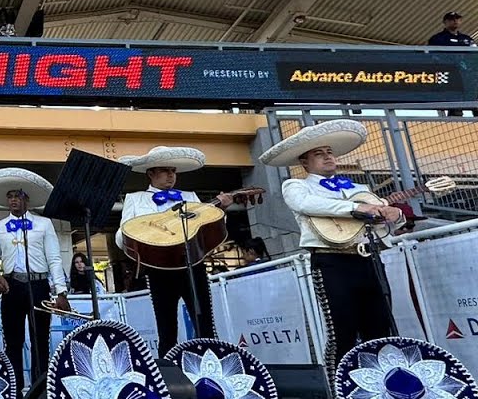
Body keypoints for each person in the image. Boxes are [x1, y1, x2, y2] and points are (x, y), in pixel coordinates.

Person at [260, 120, 403, 377]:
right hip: (331, 261)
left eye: (329, 152)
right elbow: (309, 205)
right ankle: (340, 397)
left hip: (369, 259)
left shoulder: (359, 188)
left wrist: (393, 214)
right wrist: (357, 209)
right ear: (304, 162)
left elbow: (379, 220)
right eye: (319, 154)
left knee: (381, 328)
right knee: (342, 329)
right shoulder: (297, 186)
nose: (327, 157)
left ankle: (385, 389)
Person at [116, 146, 234, 356]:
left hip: (192, 264)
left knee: (204, 322)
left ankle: (211, 365)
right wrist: (145, 232)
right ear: (150, 173)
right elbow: (121, 237)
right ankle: (169, 374)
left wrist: (221, 210)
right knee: (166, 326)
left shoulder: (189, 196)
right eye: (165, 170)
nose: (171, 175)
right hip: (158, 267)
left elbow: (206, 228)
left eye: (173, 170)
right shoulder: (135, 199)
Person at [0, 167, 68, 398]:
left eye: (17, 196)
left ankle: (39, 393)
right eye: (9, 196)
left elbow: (54, 258)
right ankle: (15, 392)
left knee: (40, 339)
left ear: (26, 199)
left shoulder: (44, 224)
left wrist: (61, 291)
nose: (13, 200)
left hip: (38, 285)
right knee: (13, 341)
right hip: (12, 285)